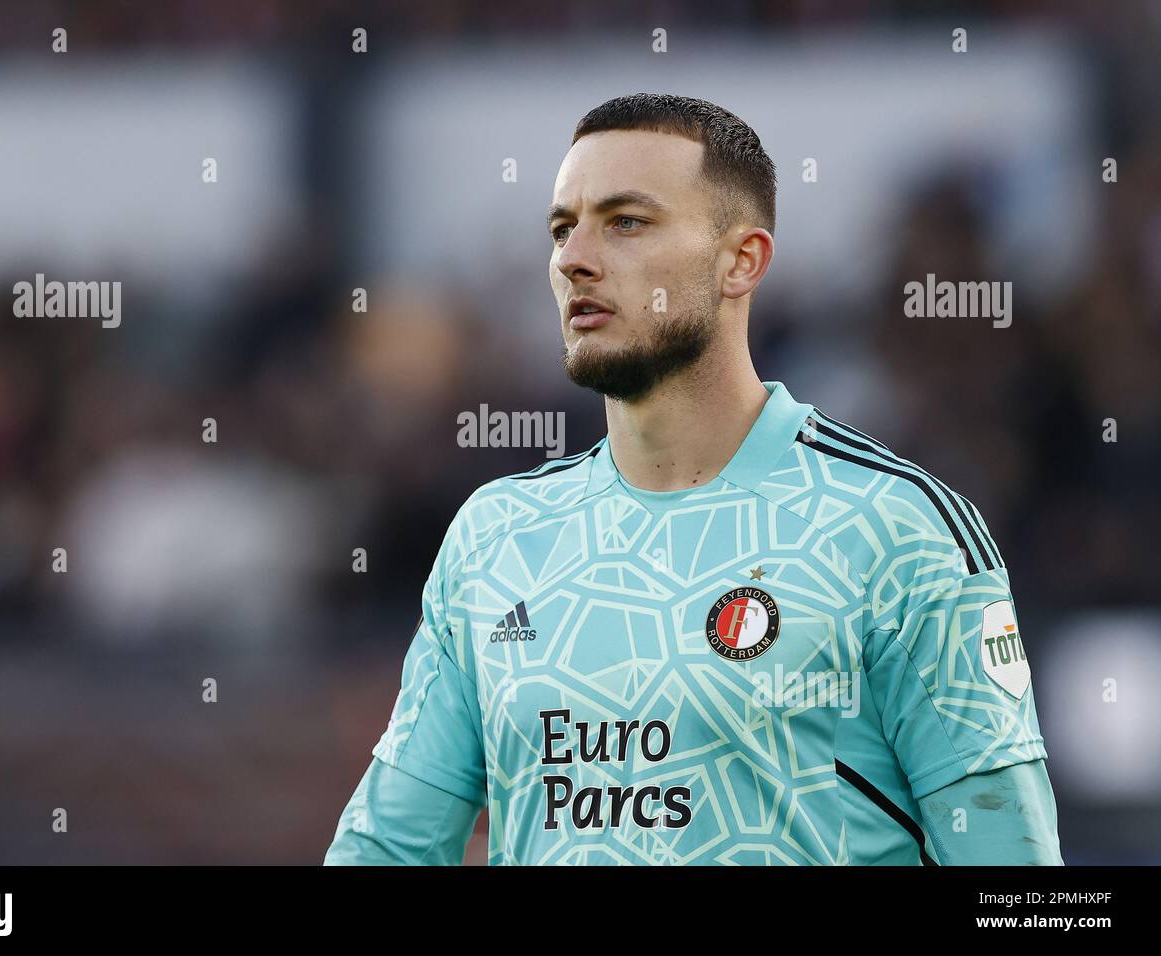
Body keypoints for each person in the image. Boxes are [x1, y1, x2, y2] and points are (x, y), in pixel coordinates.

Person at [325, 92, 1061, 865]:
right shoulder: (495, 536)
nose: (576, 256)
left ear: (741, 260)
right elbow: (388, 847)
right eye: (561, 227)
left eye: (627, 222)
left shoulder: (895, 528)